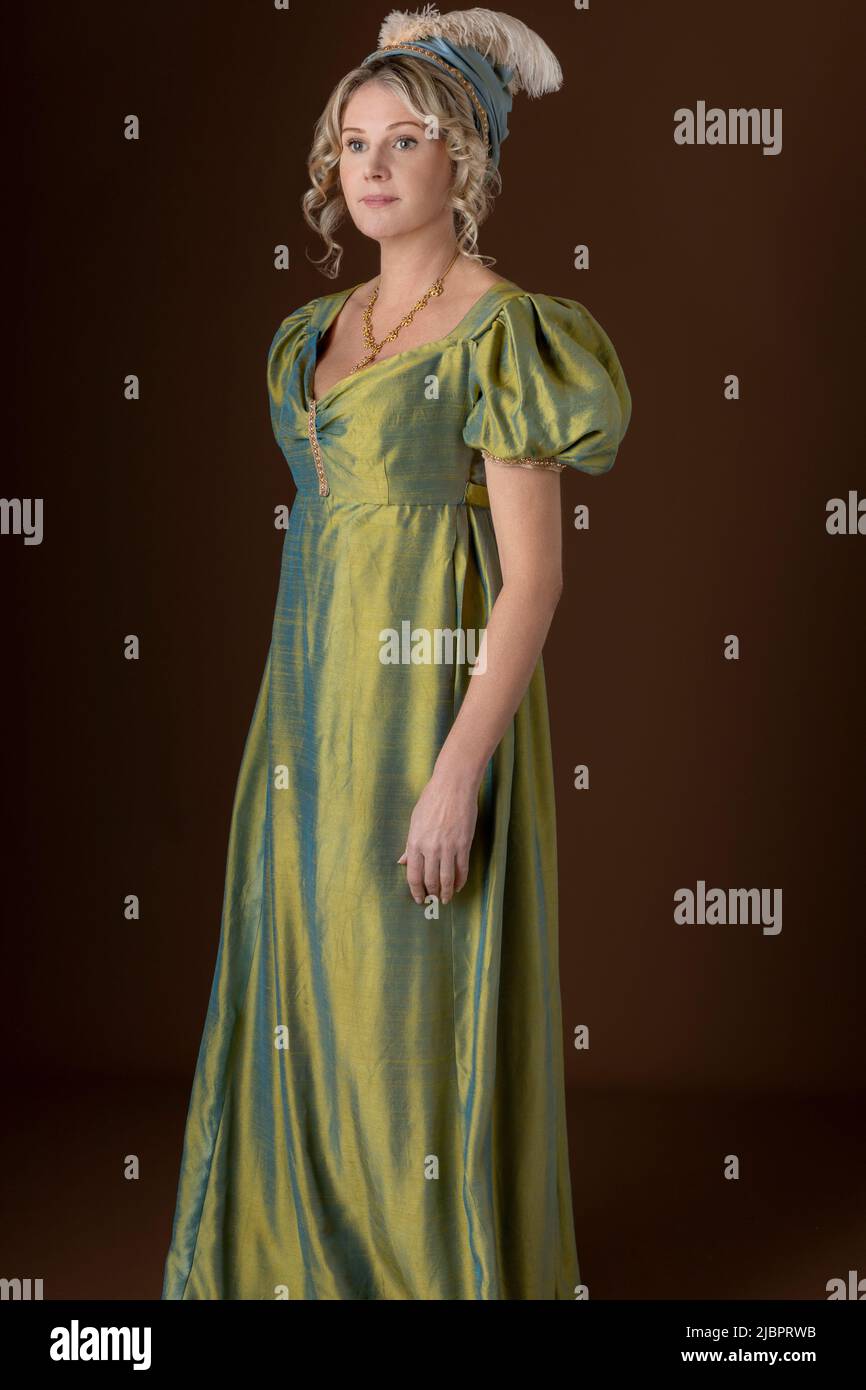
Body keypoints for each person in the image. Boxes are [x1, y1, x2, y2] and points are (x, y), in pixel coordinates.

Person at [161, 4, 631, 1300]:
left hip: (431, 713)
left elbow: (532, 580)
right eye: (353, 142)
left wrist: (456, 770)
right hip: (310, 716)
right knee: (309, 992)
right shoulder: (311, 333)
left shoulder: (501, 329)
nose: (371, 167)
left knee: (408, 1014)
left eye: (403, 138)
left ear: (461, 160)